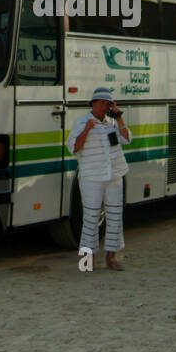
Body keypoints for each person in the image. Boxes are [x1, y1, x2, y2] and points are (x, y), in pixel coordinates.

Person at [66, 86, 131, 271]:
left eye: (107, 103)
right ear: (93, 103)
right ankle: (86, 261)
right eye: (101, 103)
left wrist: (119, 117)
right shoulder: (82, 122)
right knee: (91, 217)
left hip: (114, 175)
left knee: (115, 217)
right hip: (92, 177)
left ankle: (111, 258)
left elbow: (127, 139)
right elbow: (74, 148)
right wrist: (87, 130)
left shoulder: (112, 122)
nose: (104, 106)